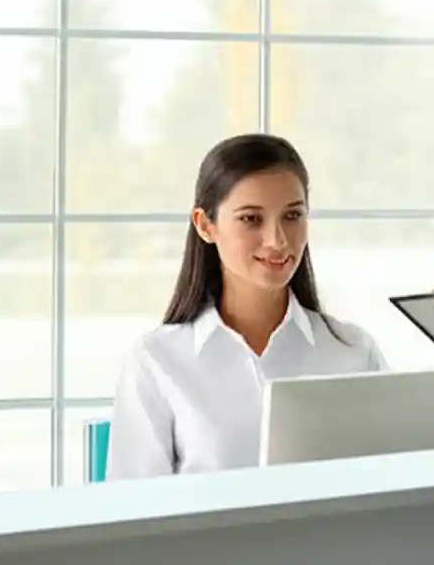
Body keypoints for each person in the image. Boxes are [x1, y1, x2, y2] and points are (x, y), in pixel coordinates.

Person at [107, 134, 387, 478]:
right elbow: (134, 515)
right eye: (251, 219)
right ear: (206, 225)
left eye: (292, 215)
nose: (278, 240)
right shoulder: (156, 360)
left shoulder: (354, 353)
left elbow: (387, 490)